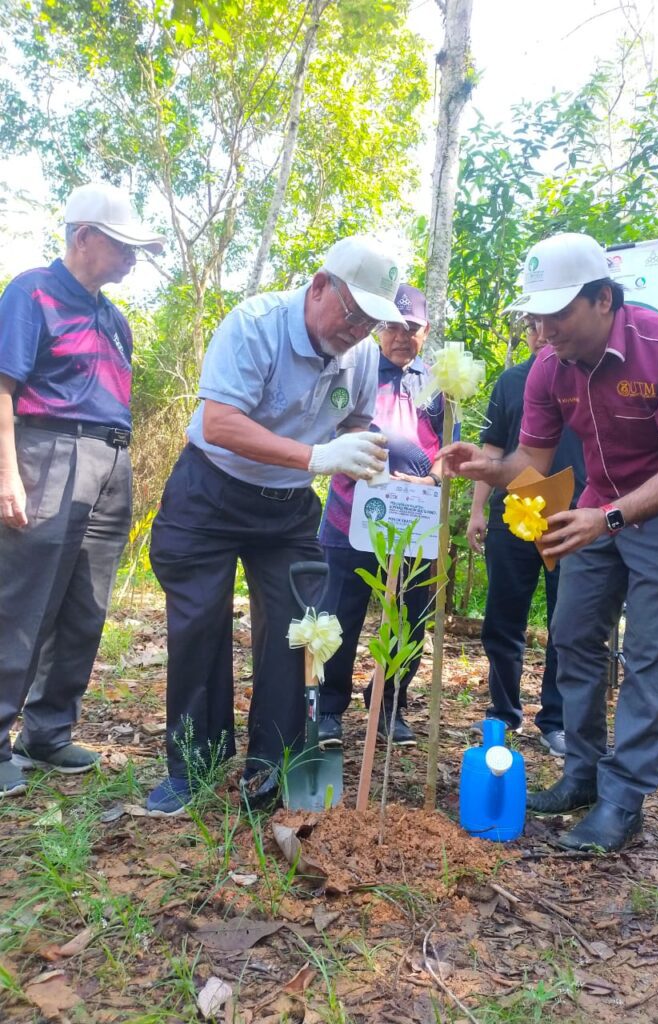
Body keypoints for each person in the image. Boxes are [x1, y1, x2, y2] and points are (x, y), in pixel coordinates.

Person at [440, 231, 658, 852]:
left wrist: (610, 519)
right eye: (537, 315)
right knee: (573, 631)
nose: (545, 329)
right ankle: (582, 772)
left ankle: (623, 801)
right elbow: (533, 463)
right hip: (604, 497)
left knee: (651, 654)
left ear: (604, 298)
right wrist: (484, 468)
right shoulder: (549, 367)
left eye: (559, 312)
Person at [146, 235, 406, 816]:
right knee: (200, 624)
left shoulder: (360, 355)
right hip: (209, 492)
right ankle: (194, 764)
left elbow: (358, 423)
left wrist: (373, 462)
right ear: (319, 287)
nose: (359, 329)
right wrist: (316, 458)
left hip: (286, 508)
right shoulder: (254, 325)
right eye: (352, 312)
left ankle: (271, 767)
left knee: (297, 631)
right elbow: (219, 423)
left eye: (371, 320)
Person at [0, 182, 164, 797]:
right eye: (121, 246)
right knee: (24, 603)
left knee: (85, 606)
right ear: (83, 237)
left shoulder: (112, 316)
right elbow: (4, 390)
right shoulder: (31, 293)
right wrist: (6, 473)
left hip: (109, 460)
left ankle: (47, 730)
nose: (131, 258)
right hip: (46, 450)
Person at [317, 284, 443, 750]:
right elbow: (326, 430)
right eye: (392, 325)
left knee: (410, 616)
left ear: (425, 332)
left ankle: (388, 703)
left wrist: (431, 482)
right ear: (378, 327)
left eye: (411, 328)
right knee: (340, 613)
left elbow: (450, 451)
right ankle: (329, 708)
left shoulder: (437, 383)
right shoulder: (353, 368)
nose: (401, 336)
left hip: (417, 520)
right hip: (353, 516)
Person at [467, 318, 585, 757]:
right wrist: (478, 509)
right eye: (533, 325)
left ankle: (555, 720)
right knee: (502, 619)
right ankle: (504, 711)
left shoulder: (586, 377)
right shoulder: (512, 381)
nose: (541, 333)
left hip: (574, 516)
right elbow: (494, 449)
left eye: (548, 324)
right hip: (513, 516)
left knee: (567, 622)